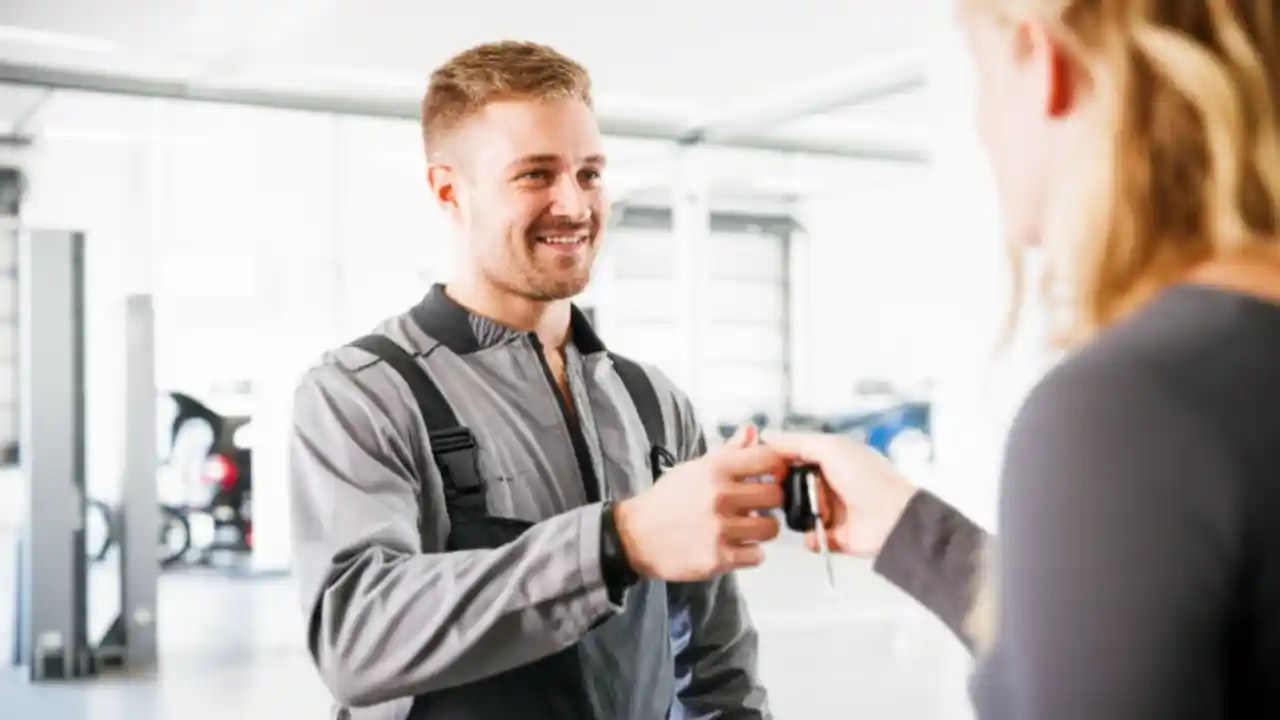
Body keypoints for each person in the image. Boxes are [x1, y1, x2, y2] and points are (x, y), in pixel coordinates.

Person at [767, 1, 1280, 717]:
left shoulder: (1131, 409)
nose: (979, 123)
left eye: (981, 74)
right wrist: (910, 528)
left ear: (1045, 66)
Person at [289, 41, 787, 720]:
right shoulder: (362, 394)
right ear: (448, 191)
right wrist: (619, 542)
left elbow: (715, 665)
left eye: (589, 173)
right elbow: (358, 641)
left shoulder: (655, 405)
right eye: (535, 175)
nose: (574, 204)